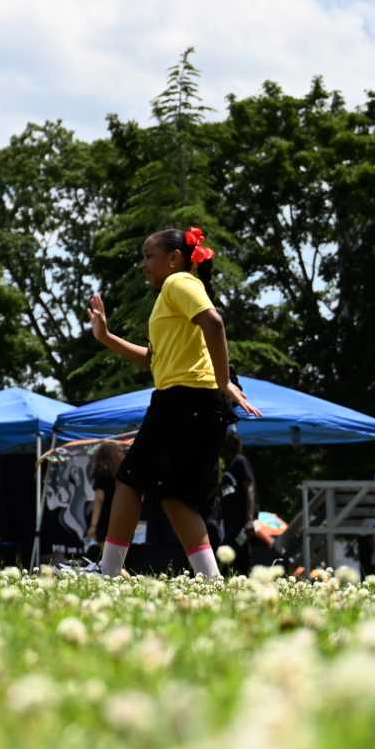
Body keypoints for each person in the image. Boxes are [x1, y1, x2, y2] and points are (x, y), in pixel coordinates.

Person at [88, 227, 261, 579]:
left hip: (184, 398)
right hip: (190, 400)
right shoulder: (173, 294)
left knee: (129, 478)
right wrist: (105, 336)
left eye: (148, 256)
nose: (143, 264)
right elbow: (151, 359)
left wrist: (224, 380)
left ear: (174, 259)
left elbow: (214, 323)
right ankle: (211, 579)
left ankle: (108, 571)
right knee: (174, 496)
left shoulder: (178, 283)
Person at [215, 428, 255, 550]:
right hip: (229, 524)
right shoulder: (229, 465)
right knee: (229, 555)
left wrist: (249, 520)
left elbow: (250, 488)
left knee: (238, 554)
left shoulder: (240, 461)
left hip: (241, 525)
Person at [84, 440, 126, 557]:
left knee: (107, 554)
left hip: (106, 518)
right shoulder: (122, 472)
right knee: (121, 552)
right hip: (121, 515)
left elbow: (99, 499)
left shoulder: (102, 473)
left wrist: (93, 526)